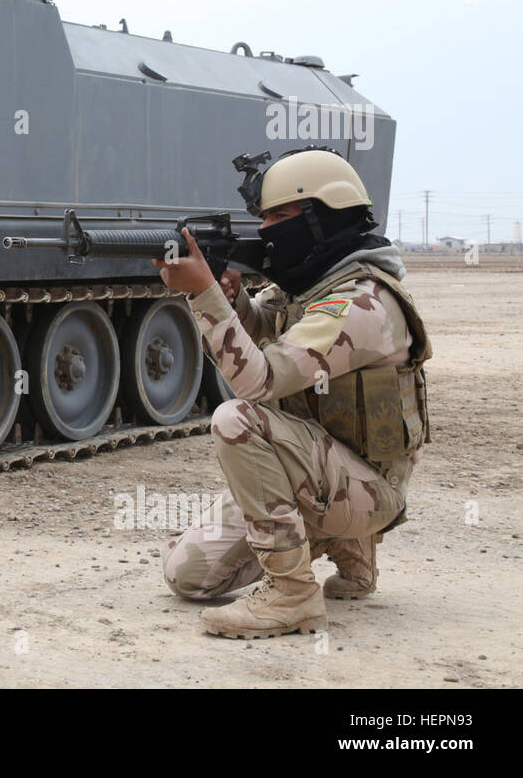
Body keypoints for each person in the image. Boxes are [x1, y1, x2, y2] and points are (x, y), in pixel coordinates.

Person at [154, 148, 431, 639]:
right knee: (189, 577)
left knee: (236, 419)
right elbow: (266, 328)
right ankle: (338, 541)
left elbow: (259, 381)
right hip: (320, 469)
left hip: (369, 488)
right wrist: (234, 299)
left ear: (322, 218)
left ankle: (292, 594)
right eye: (263, 218)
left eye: (279, 216)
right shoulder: (309, 288)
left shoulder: (359, 303)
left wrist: (202, 295)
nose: (266, 231)